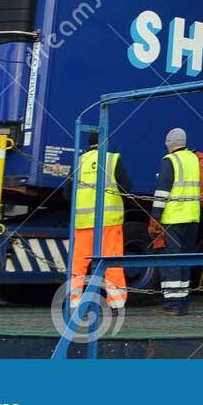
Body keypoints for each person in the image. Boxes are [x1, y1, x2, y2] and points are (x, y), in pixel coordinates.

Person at [71, 133, 133, 314]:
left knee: (79, 264)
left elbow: (68, 193)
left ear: (89, 143)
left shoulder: (79, 161)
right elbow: (127, 187)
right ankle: (116, 303)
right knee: (111, 261)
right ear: (105, 141)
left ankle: (74, 302)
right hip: (109, 222)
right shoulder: (112, 159)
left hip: (83, 223)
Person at [151, 127, 203, 315]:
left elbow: (162, 193)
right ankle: (182, 304)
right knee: (185, 260)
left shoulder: (170, 161)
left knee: (171, 261)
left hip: (174, 218)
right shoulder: (194, 159)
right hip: (192, 218)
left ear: (170, 144)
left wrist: (155, 217)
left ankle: (172, 306)